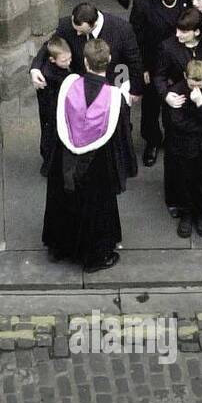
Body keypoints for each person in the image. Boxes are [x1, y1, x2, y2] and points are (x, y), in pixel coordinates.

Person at [41, 38, 137, 273]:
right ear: (109, 61)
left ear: (85, 61)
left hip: (65, 155)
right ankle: (94, 257)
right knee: (95, 208)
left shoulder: (69, 84)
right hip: (98, 161)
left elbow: (55, 121)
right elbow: (122, 137)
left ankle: (60, 247)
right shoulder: (115, 99)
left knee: (63, 198)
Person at [153, 8, 202, 216]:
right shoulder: (168, 47)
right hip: (178, 104)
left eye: (183, 31)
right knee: (174, 157)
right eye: (177, 30)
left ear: (197, 32)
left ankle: (200, 198)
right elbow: (159, 76)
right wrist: (166, 95)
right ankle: (175, 199)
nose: (178, 35)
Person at [130, 0, 190, 167]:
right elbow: (134, 39)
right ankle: (153, 141)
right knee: (151, 106)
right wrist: (142, 68)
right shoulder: (144, 3)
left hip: (179, 62)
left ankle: (174, 138)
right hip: (153, 62)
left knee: (178, 102)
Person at [30, 2, 144, 104]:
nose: (78, 34)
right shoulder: (67, 24)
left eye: (81, 31)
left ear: (93, 24)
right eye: (75, 29)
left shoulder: (122, 30)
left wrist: (135, 90)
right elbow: (50, 44)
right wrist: (35, 68)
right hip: (80, 89)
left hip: (109, 88)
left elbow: (134, 60)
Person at [162, 58, 202, 239]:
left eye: (200, 84)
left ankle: (201, 214)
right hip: (182, 146)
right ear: (185, 76)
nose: (196, 88)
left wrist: (200, 104)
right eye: (192, 83)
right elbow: (178, 123)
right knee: (184, 181)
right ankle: (186, 213)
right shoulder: (177, 91)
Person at [31, 35, 73, 176]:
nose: (68, 62)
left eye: (69, 59)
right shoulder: (51, 75)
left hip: (52, 108)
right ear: (52, 59)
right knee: (51, 137)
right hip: (52, 110)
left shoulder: (54, 68)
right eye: (64, 60)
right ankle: (49, 165)